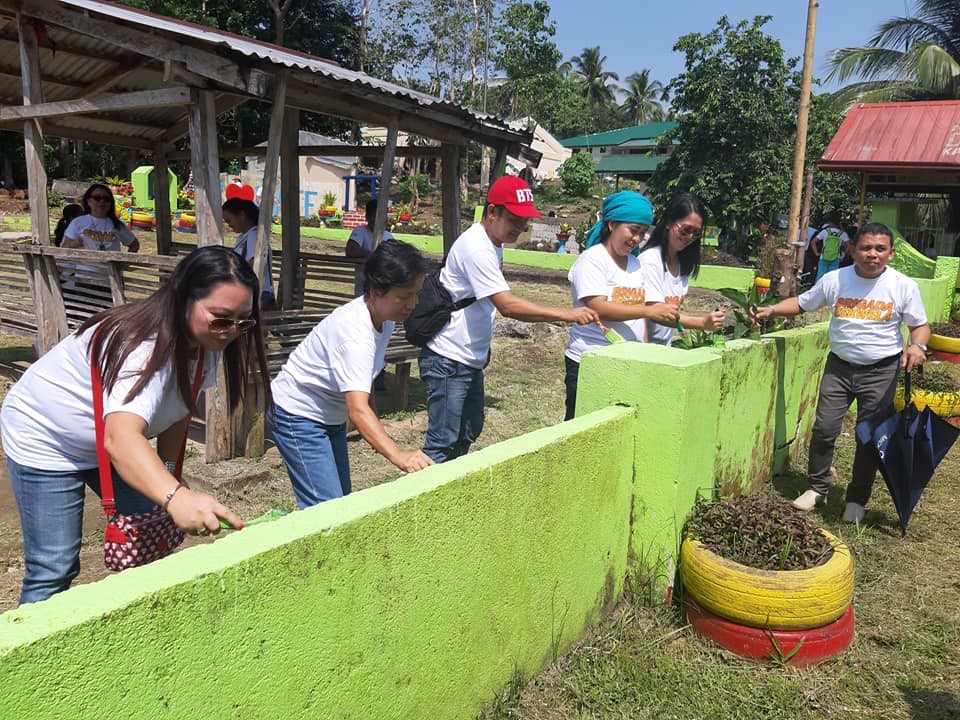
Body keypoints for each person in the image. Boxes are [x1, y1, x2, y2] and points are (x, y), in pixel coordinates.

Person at [0, 245, 271, 604]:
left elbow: (178, 409)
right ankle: (29, 635)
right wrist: (175, 497)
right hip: (47, 437)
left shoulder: (206, 342)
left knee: (151, 534)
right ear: (183, 299)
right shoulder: (139, 345)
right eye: (221, 318)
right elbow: (122, 438)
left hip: (110, 440)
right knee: (55, 564)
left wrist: (170, 479)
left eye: (243, 321)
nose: (231, 331)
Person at [752, 223, 930, 524]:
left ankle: (857, 499)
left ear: (891, 253)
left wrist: (917, 345)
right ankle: (817, 488)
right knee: (824, 429)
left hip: (881, 371)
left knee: (868, 437)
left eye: (880, 249)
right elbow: (803, 304)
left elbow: (920, 325)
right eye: (866, 248)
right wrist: (771, 310)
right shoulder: (835, 280)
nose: (872, 254)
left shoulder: (903, 286)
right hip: (839, 368)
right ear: (852, 250)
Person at [419, 175, 599, 463]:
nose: (520, 227)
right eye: (515, 219)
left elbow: (480, 302)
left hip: (467, 356)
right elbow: (507, 305)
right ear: (492, 212)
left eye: (524, 221)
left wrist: (482, 348)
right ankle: (425, 488)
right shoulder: (477, 248)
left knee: (468, 430)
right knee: (442, 441)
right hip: (448, 357)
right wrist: (567, 314)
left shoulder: (493, 243)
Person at [269, 241, 434, 507]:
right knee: (327, 509)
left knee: (341, 502)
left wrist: (375, 424)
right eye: (404, 296)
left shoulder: (383, 320)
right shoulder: (355, 335)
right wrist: (398, 455)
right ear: (375, 291)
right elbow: (357, 410)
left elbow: (364, 380)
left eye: (416, 295)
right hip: (297, 413)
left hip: (329, 415)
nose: (412, 304)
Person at [563, 191, 680, 420]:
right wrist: (649, 310)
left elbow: (639, 316)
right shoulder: (593, 260)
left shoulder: (636, 264)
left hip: (626, 361)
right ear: (612, 225)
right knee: (582, 426)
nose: (637, 238)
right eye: (633, 230)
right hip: (591, 359)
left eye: (642, 233)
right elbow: (598, 307)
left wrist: (643, 349)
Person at [638, 193, 726, 346]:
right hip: (642, 349)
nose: (689, 237)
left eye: (696, 233)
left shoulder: (682, 264)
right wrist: (702, 323)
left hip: (662, 349)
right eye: (686, 230)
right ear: (669, 223)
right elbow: (655, 311)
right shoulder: (650, 260)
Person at [222, 198, 277, 311]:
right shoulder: (243, 237)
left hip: (259, 295)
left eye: (229, 220)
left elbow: (255, 262)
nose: (229, 225)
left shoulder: (254, 235)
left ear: (242, 215)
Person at [346, 198, 396, 297]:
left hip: (384, 283)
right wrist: (375, 256)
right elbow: (351, 250)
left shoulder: (388, 236)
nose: (379, 220)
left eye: (382, 216)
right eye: (375, 216)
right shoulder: (360, 231)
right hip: (364, 283)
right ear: (367, 217)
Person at [812, 212, 849, 281]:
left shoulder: (825, 231)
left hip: (823, 257)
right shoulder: (842, 233)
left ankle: (819, 287)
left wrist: (816, 253)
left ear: (829, 222)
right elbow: (848, 245)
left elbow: (813, 242)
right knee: (832, 277)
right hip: (836, 257)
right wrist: (844, 255)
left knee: (820, 276)